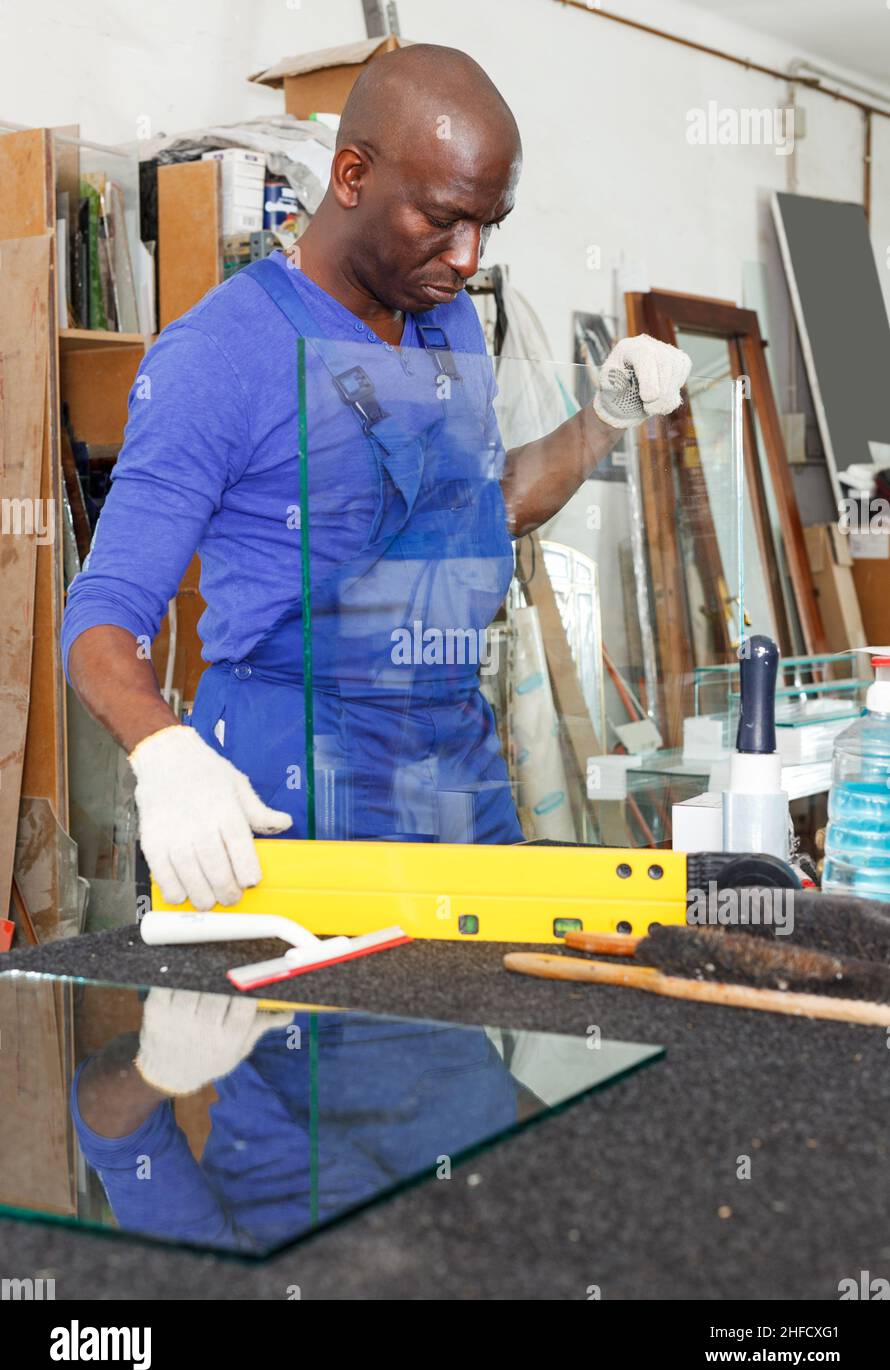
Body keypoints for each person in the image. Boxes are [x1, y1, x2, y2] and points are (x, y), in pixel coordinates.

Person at [62, 43, 690, 910]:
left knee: (478, 1026)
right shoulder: (220, 356)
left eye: (488, 225)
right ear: (351, 175)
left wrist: (606, 416)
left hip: (453, 764)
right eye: (442, 218)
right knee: (314, 1035)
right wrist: (162, 751)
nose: (468, 257)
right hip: (292, 778)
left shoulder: (446, 319)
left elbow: (484, 510)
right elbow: (102, 614)